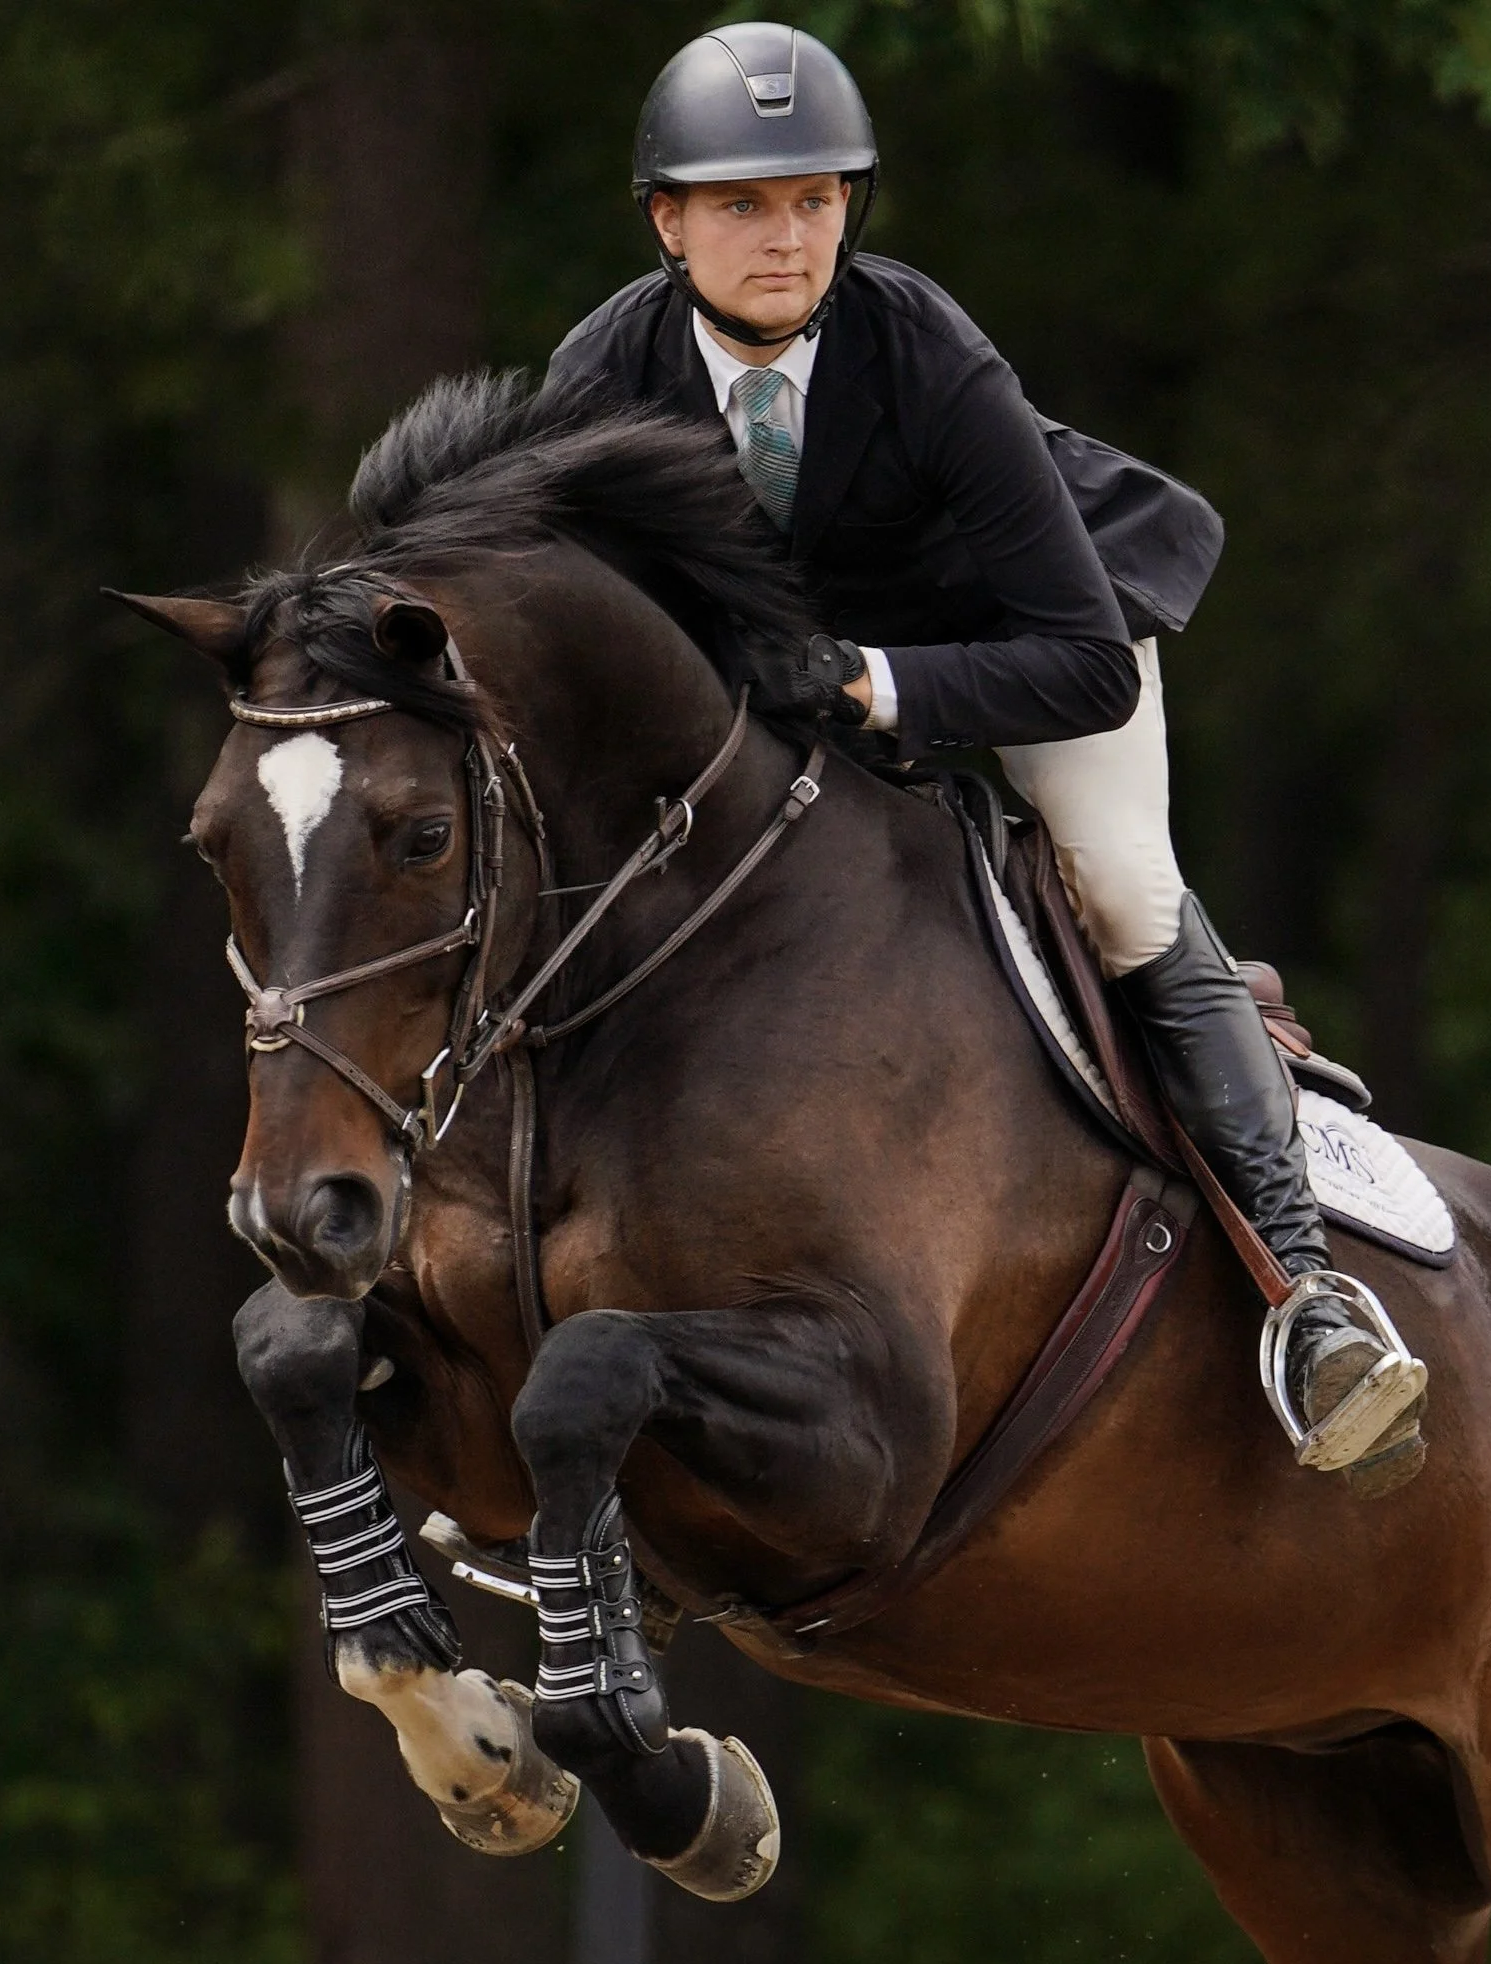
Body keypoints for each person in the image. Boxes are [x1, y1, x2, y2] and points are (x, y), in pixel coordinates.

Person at [543, 22, 1428, 1475]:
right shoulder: (603, 370)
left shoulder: (923, 345)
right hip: (789, 683)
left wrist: (880, 686)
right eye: (746, 206)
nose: (788, 237)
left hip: (1030, 643)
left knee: (1122, 889)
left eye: (818, 200)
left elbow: (1077, 657)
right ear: (669, 221)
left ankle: (1310, 1298)